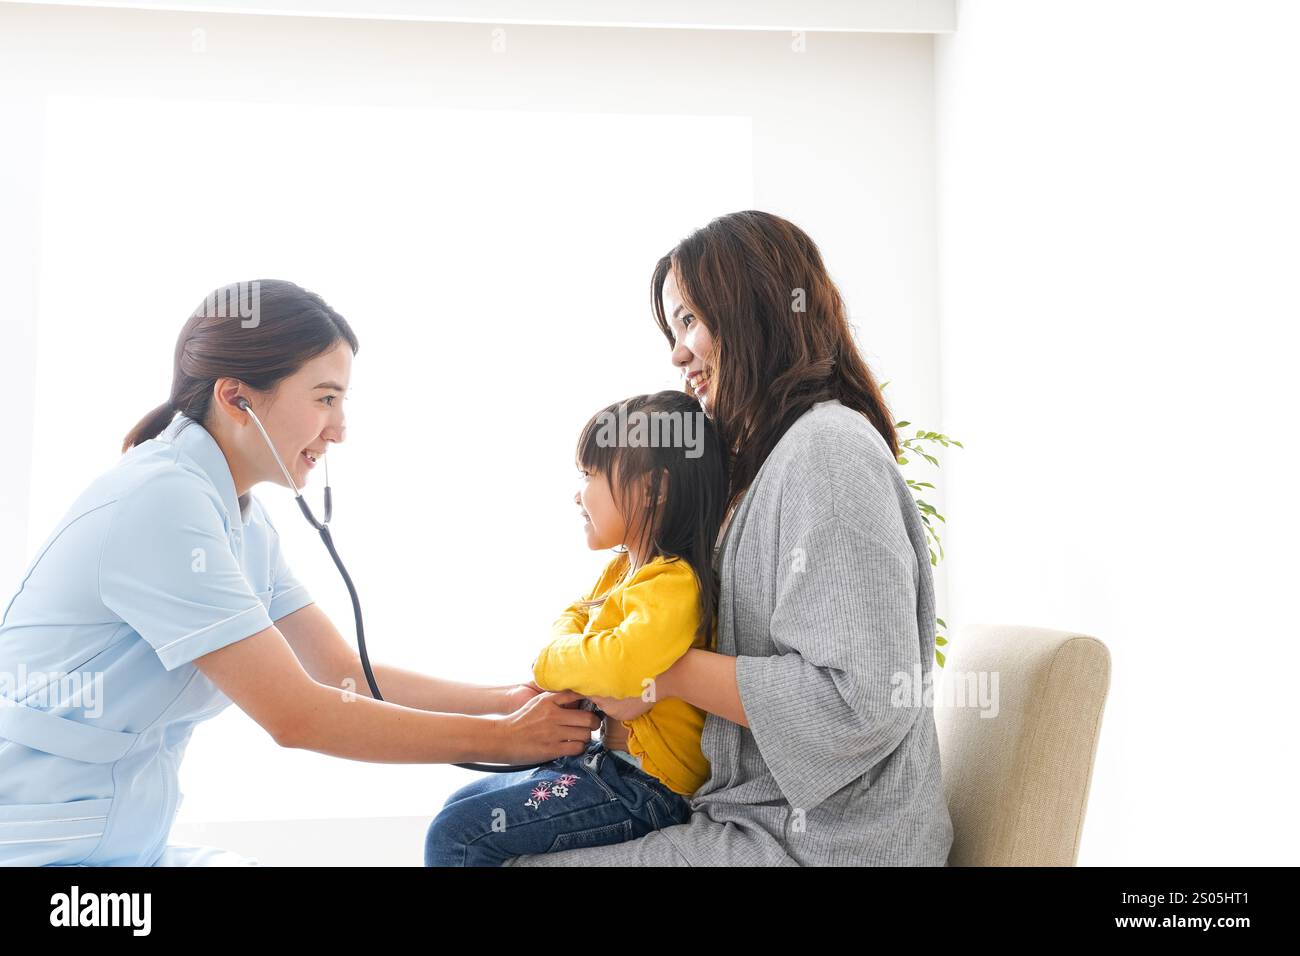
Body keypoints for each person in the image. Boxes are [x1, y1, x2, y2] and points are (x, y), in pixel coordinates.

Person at [0, 279, 597, 867]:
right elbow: (297, 715)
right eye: (324, 398)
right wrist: (506, 740)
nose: (340, 428)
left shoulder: (239, 518)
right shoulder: (161, 503)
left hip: (122, 845)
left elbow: (342, 675)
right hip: (39, 848)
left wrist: (507, 701)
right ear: (238, 398)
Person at [499, 210, 955, 866]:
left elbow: (862, 701)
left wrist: (659, 671)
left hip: (828, 848)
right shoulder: (758, 467)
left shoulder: (828, 453)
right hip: (746, 819)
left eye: (689, 320)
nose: (677, 351)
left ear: (758, 311)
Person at [424, 389, 728, 865]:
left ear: (653, 489)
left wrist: (552, 663)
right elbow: (572, 621)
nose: (578, 493)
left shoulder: (674, 582)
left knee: (457, 835)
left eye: (589, 475)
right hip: (603, 766)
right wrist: (573, 653)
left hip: (647, 790)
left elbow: (621, 664)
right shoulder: (621, 572)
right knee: (458, 806)